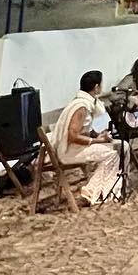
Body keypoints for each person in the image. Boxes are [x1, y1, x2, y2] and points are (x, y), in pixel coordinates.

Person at [50, 69, 122, 206]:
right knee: (112, 154)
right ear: (96, 87)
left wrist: (98, 135)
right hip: (70, 152)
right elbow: (72, 136)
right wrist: (97, 140)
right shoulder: (81, 106)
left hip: (77, 147)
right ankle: (92, 191)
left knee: (123, 147)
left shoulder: (85, 103)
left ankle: (112, 188)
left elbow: (83, 131)